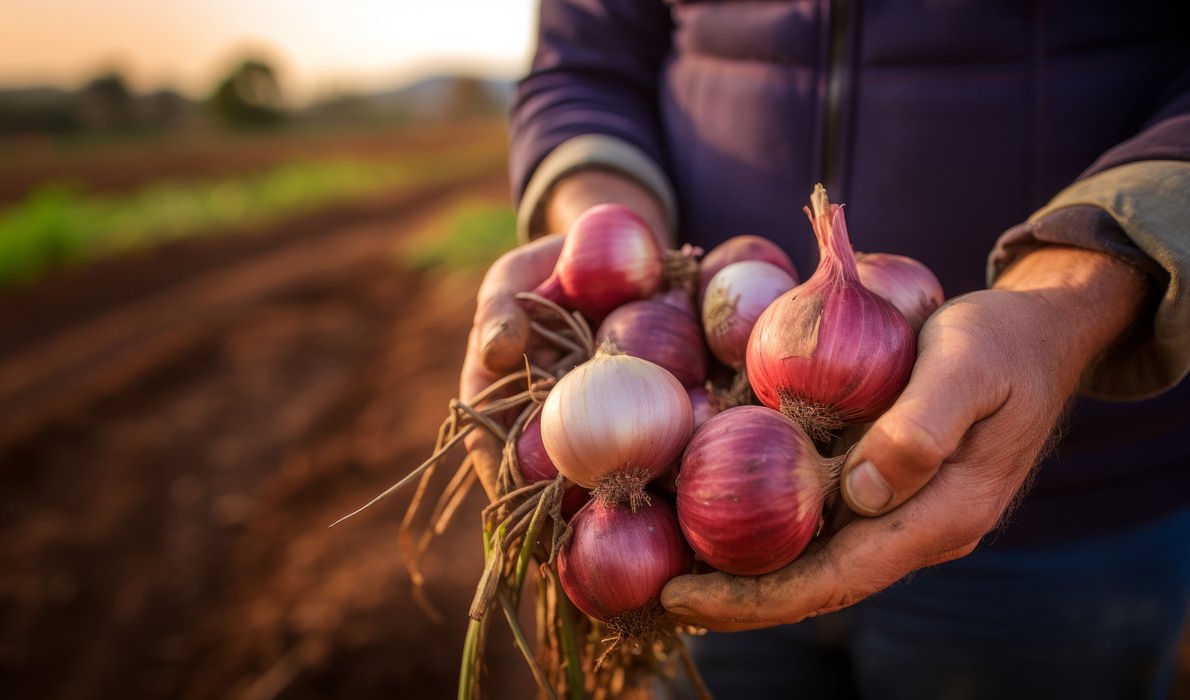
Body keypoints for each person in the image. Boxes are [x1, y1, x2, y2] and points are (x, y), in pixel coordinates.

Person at [459, 0, 1190, 697]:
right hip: (695, 519)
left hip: (1075, 511)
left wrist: (1068, 302)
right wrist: (604, 250)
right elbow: (586, 61)